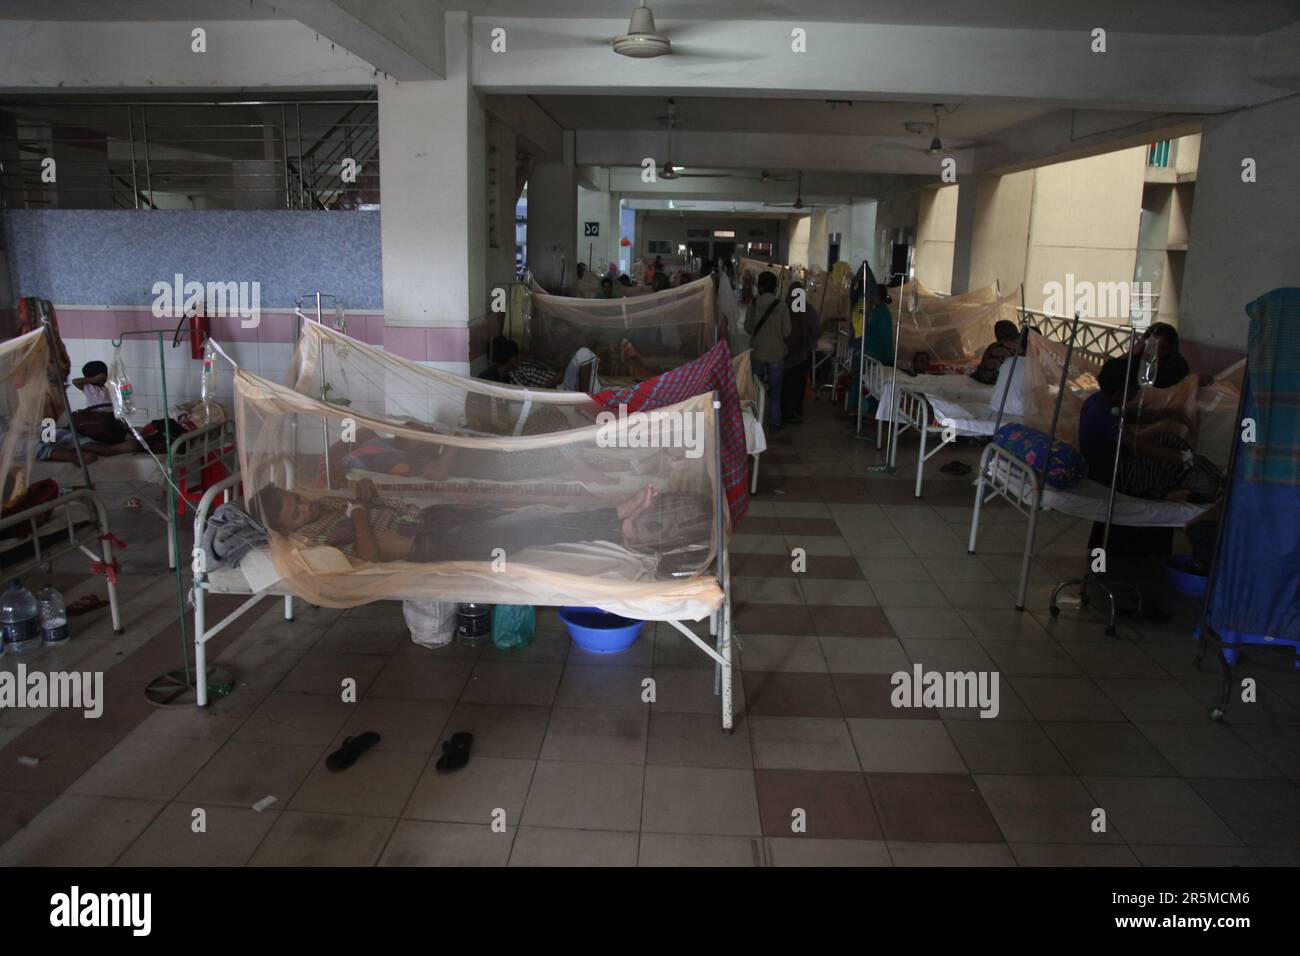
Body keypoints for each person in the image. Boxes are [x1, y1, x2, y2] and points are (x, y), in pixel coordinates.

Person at [254, 480, 712, 567]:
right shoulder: (310, 539)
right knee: (531, 530)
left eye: (298, 499)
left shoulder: (320, 509)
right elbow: (370, 556)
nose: (304, 507)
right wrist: (356, 515)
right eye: (295, 511)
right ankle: (619, 526)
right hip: (430, 544)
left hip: (433, 520)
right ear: (286, 529)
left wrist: (363, 496)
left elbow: (360, 504)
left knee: (528, 515)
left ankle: (615, 518)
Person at [1078, 356, 1218, 500]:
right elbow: (1136, 445)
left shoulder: (1101, 400)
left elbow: (1132, 416)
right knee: (1169, 464)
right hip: (1113, 476)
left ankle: (1205, 476)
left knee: (1169, 440)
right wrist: (1185, 458)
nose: (1138, 391)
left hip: (1120, 461)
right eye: (1136, 387)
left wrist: (1167, 413)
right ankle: (1192, 488)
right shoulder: (1102, 413)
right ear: (1123, 389)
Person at [745, 271, 792, 431]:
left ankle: (755, 421)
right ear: (775, 287)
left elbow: (748, 327)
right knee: (776, 391)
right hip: (777, 355)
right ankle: (774, 423)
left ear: (761, 286)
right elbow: (787, 332)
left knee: (756, 390)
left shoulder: (754, 303)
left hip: (758, 353)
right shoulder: (783, 306)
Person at [781, 280, 821, 424]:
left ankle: (783, 410)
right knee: (799, 384)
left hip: (784, 354)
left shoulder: (783, 308)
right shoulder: (809, 311)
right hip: (803, 355)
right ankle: (796, 409)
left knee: (785, 382)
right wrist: (809, 344)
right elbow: (816, 331)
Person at [1129, 321, 1210, 388]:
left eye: (1163, 347)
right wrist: (1132, 353)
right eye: (1153, 346)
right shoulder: (1136, 361)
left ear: (1171, 348)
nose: (1157, 351)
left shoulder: (1177, 366)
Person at [971, 320, 1022, 385]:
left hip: (994, 382)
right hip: (1014, 383)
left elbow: (982, 373)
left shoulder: (994, 347)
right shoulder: (1022, 346)